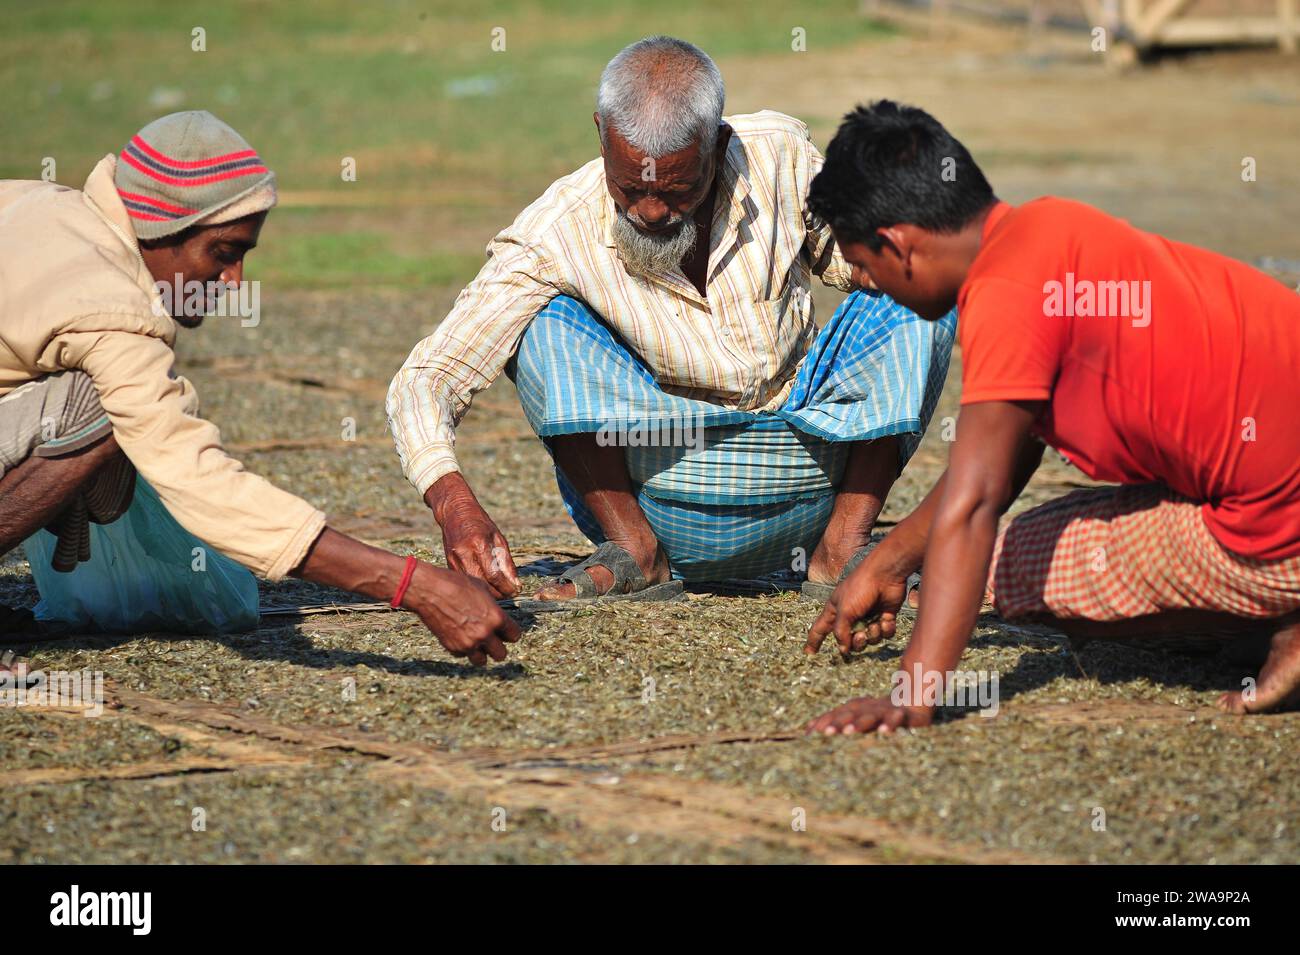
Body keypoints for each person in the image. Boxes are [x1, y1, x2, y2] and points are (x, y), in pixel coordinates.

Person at [387, 37, 953, 604]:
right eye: (630, 188)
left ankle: (841, 550)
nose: (652, 212)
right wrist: (454, 504)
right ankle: (635, 552)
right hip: (664, 489)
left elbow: (860, 255)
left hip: (812, 471)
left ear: (719, 143)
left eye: (679, 189)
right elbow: (427, 378)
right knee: (543, 327)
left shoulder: (776, 157)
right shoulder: (553, 232)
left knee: (915, 280)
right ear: (601, 135)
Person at [802, 99, 1300, 733]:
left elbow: (976, 504)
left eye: (864, 267)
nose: (868, 286)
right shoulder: (1048, 226)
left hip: (1279, 522)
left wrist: (912, 697)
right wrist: (887, 562)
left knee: (1015, 570)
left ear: (899, 246)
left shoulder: (1005, 298)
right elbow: (1005, 461)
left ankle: (1280, 612)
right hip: (1269, 467)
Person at [0, 111, 519, 666]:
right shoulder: (114, 314)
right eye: (224, 253)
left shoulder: (37, 202)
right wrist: (417, 586)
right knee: (104, 405)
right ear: (160, 229)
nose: (235, 282)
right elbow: (199, 482)